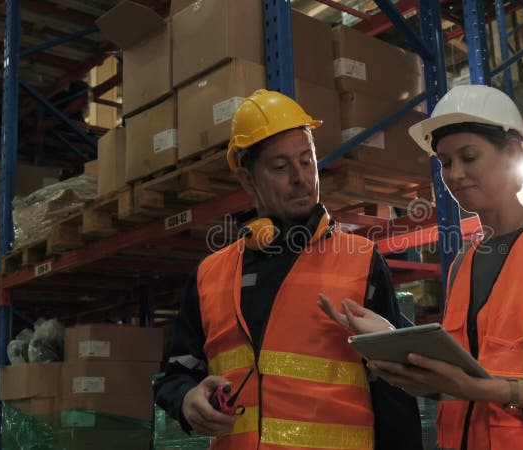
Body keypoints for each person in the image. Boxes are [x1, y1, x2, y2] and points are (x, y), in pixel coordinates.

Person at [318, 85, 523, 450]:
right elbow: (464, 384)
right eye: (445, 162)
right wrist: (390, 337)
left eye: (469, 157)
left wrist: (493, 390)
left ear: (513, 153)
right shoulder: (463, 265)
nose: (455, 174)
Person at [153, 89, 422, 450]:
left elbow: (394, 392)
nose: (301, 178)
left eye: (307, 160)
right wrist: (187, 400)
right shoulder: (209, 275)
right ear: (248, 181)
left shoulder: (360, 260)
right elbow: (176, 376)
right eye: (280, 167)